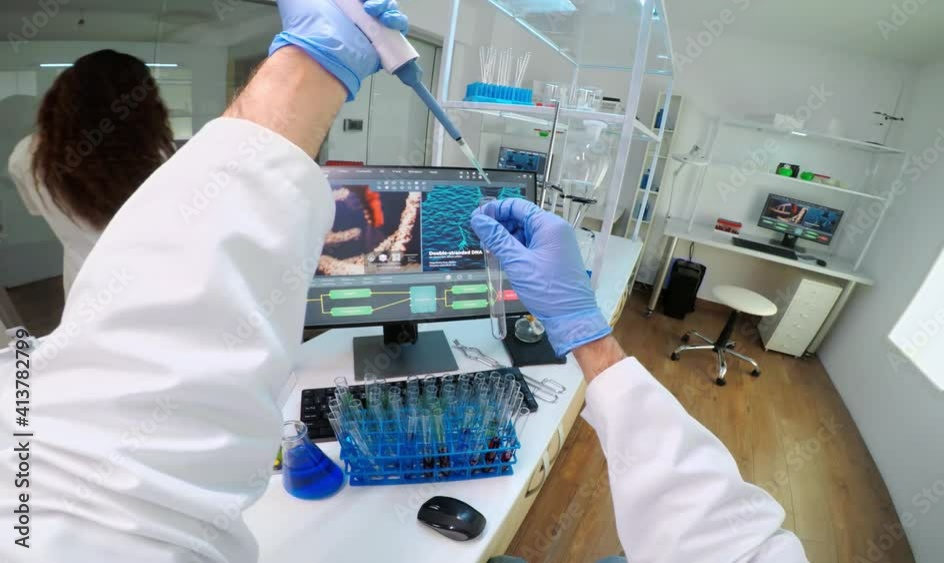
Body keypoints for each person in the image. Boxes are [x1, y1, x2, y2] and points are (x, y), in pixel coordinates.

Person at [0, 0, 808, 562]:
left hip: (98, 311)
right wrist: (589, 338)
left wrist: (308, 68)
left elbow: (95, 460)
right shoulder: (167, 176)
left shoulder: (28, 165)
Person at [7, 50, 176, 297]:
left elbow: (36, 208)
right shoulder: (159, 153)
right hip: (156, 284)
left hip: (86, 292)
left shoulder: (26, 156)